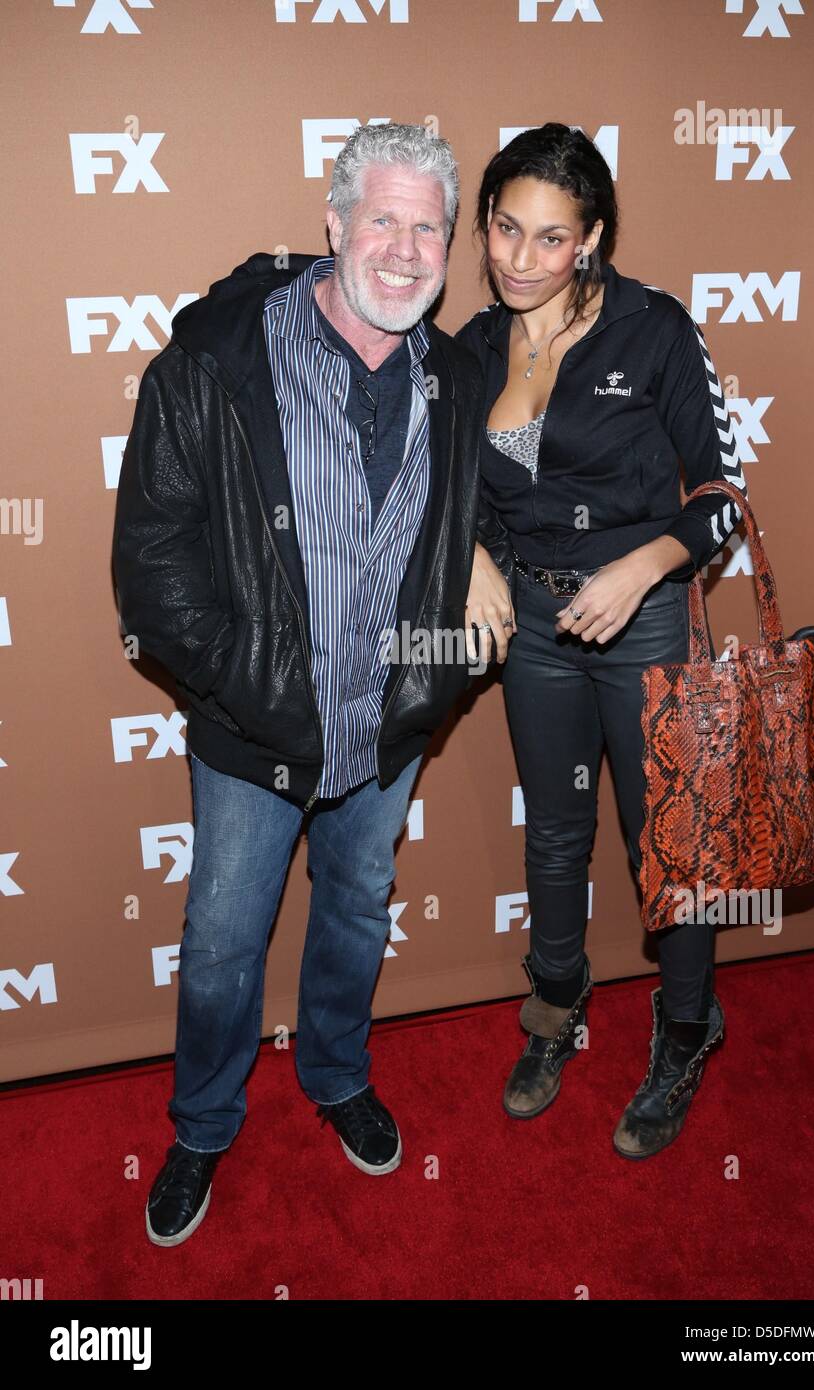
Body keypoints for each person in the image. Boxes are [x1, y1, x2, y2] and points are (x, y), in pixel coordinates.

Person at [112, 121, 514, 1246]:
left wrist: (476, 555)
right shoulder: (214, 359)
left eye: (426, 226)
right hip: (253, 731)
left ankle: (336, 1072)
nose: (401, 248)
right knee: (223, 946)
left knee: (352, 913)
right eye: (378, 219)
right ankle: (201, 1122)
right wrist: (264, 689)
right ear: (332, 225)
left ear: (449, 247)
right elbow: (152, 569)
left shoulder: (457, 375)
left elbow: (479, 512)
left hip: (387, 734)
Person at [459, 123, 749, 1159]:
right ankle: (553, 1015)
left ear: (589, 240)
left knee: (667, 844)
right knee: (552, 836)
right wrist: (470, 559)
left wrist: (639, 569)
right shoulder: (467, 347)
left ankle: (683, 1032)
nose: (518, 259)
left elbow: (721, 494)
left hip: (643, 622)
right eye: (503, 229)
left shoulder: (652, 328)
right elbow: (436, 494)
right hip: (533, 630)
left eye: (549, 238)